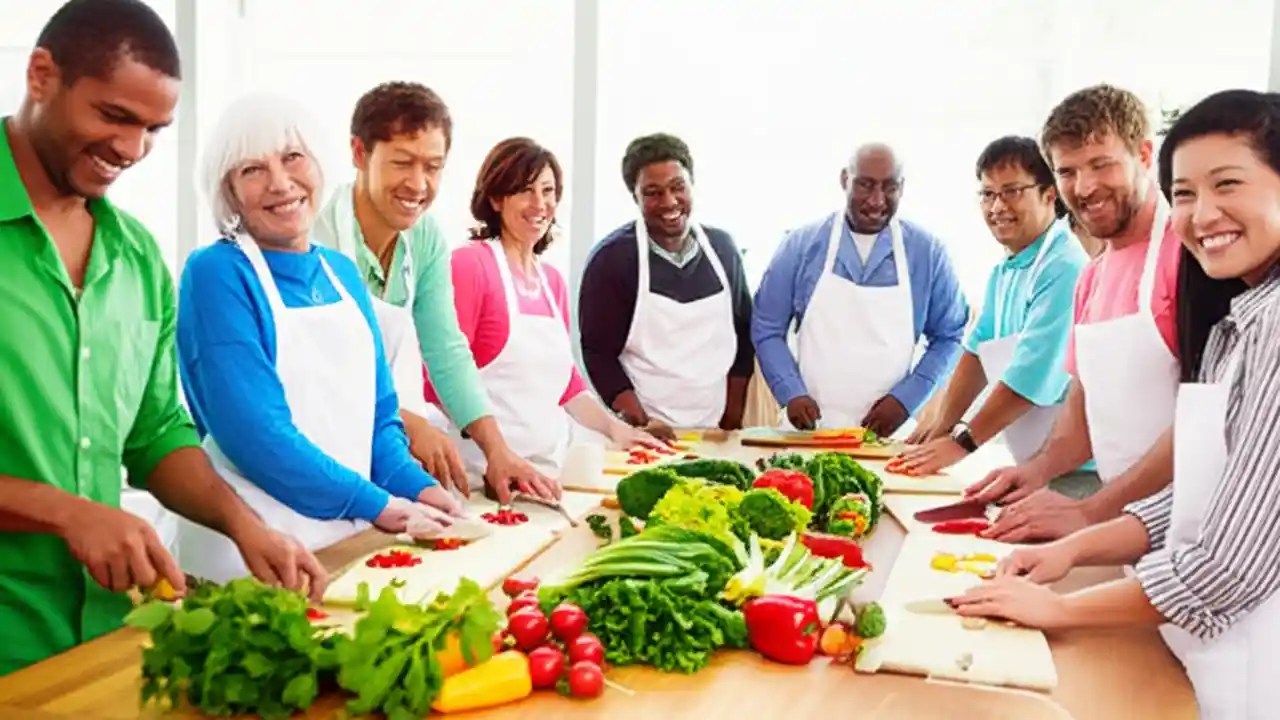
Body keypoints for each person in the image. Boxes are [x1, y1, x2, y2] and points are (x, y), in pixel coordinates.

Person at [0, 0, 322, 676]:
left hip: (104, 643)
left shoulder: (139, 259)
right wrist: (63, 513)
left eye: (153, 128)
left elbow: (154, 434)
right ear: (40, 75)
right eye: (114, 116)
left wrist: (245, 527)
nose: (131, 148)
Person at [952, 88, 1280, 719]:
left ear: (1138, 155)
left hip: (1247, 644)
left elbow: (1232, 567)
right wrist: (1077, 546)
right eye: (1185, 193)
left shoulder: (1240, 304)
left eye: (1228, 184)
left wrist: (1066, 602)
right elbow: (1203, 493)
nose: (1204, 215)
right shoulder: (1242, 313)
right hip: (1175, 599)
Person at [174, 92, 462, 583]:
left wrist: (421, 489)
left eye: (291, 158)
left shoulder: (341, 274)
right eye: (252, 170)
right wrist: (378, 504)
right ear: (229, 192)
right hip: (250, 554)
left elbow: (378, 419)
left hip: (342, 539)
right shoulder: (217, 274)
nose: (281, 183)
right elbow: (256, 435)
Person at [312, 82, 552, 502]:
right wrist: (408, 422)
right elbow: (322, 372)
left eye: (433, 166)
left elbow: (446, 349)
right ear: (359, 154)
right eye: (402, 162)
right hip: (314, 444)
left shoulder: (424, 239)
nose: (418, 184)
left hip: (378, 447)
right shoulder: (317, 234)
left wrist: (497, 450)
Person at [966, 85, 1184, 543]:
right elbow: (1085, 407)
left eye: (1101, 164)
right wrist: (1035, 470)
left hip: (1189, 525)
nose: (1084, 188)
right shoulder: (1093, 276)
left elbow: (1199, 426)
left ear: (1144, 155)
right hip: (1120, 522)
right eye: (1067, 171)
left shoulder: (1188, 259)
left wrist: (1090, 511)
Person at [433, 137, 659, 484]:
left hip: (544, 472)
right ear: (495, 198)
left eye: (548, 191)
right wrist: (494, 453)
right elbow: (437, 377)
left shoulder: (551, 280)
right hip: (482, 478)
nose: (540, 203)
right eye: (525, 190)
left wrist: (618, 430)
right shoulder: (470, 265)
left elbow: (566, 384)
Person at [895, 137, 1093, 491]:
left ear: (1050, 194)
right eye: (987, 195)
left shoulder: (1064, 266)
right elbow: (975, 351)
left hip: (1079, 473)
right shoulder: (1005, 271)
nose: (997, 206)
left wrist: (961, 443)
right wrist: (941, 425)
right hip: (1031, 463)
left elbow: (1030, 377)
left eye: (1012, 191)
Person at [751, 142, 969, 436]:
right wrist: (790, 391)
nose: (877, 200)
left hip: (889, 434)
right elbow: (766, 327)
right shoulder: (800, 245)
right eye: (865, 185)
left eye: (889, 187)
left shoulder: (928, 253)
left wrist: (906, 400)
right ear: (845, 180)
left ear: (902, 188)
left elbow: (950, 335)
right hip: (808, 430)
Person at [578, 133, 754, 434]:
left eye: (677, 187)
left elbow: (743, 338)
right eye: (653, 192)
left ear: (692, 185)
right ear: (635, 196)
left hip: (715, 430)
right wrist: (641, 424)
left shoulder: (723, 249)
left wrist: (730, 421)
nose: (669, 201)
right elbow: (598, 353)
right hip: (643, 432)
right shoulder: (612, 260)